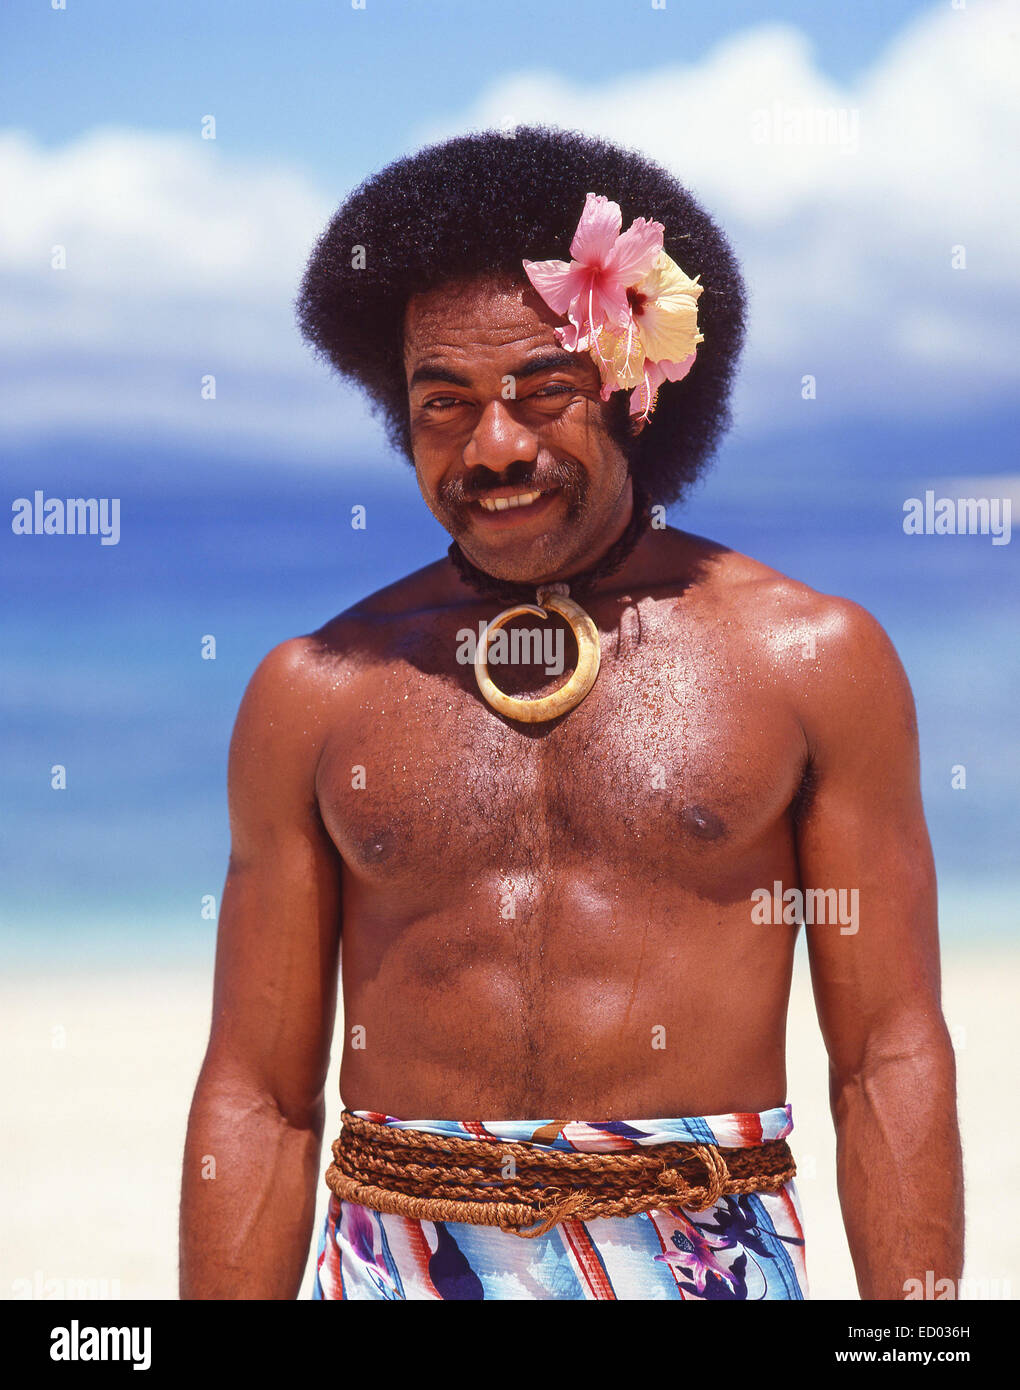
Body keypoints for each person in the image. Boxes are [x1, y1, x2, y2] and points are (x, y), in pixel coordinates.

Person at [179, 127, 963, 1301]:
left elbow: (886, 1057)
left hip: (706, 1258)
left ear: (638, 390)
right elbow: (262, 1095)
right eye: (441, 404)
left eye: (543, 391)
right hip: (400, 1260)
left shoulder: (813, 659)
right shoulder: (315, 690)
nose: (493, 446)